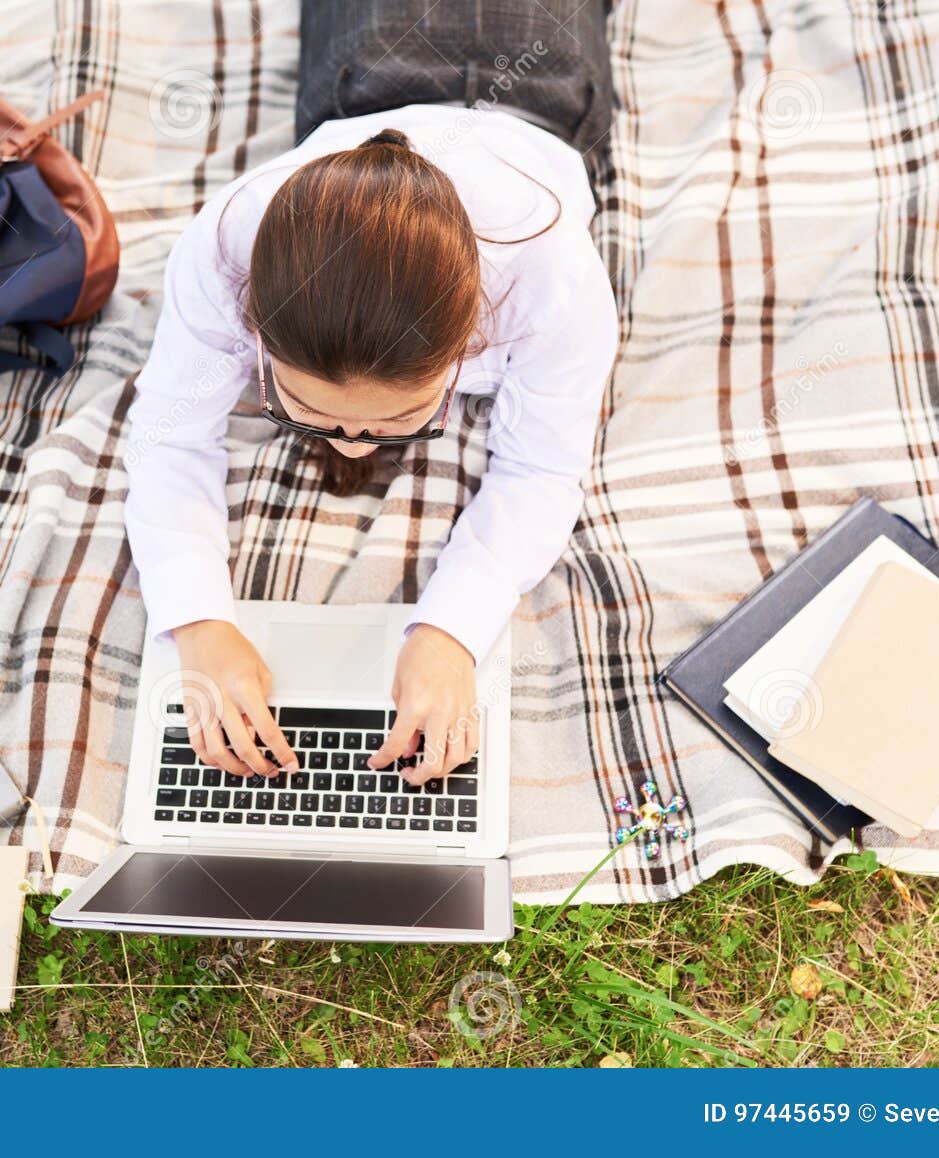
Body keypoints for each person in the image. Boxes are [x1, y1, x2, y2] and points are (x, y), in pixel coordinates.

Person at [125, 1, 617, 786]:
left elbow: (544, 470)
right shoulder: (226, 249)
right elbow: (167, 436)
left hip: (544, 91)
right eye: (307, 415)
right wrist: (196, 618)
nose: (356, 446)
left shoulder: (554, 281)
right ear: (252, 323)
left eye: (398, 421)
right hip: (366, 70)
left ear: (473, 338)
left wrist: (454, 630)